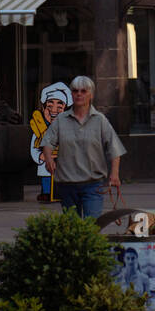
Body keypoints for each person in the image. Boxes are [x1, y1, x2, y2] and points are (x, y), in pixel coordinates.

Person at [40, 75, 125, 218]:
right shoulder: (61, 120)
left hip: (92, 184)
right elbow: (47, 142)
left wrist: (114, 174)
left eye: (83, 91)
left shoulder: (100, 120)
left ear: (91, 95)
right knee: (73, 229)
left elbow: (114, 148)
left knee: (92, 226)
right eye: (75, 91)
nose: (79, 94)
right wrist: (48, 158)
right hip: (67, 184)